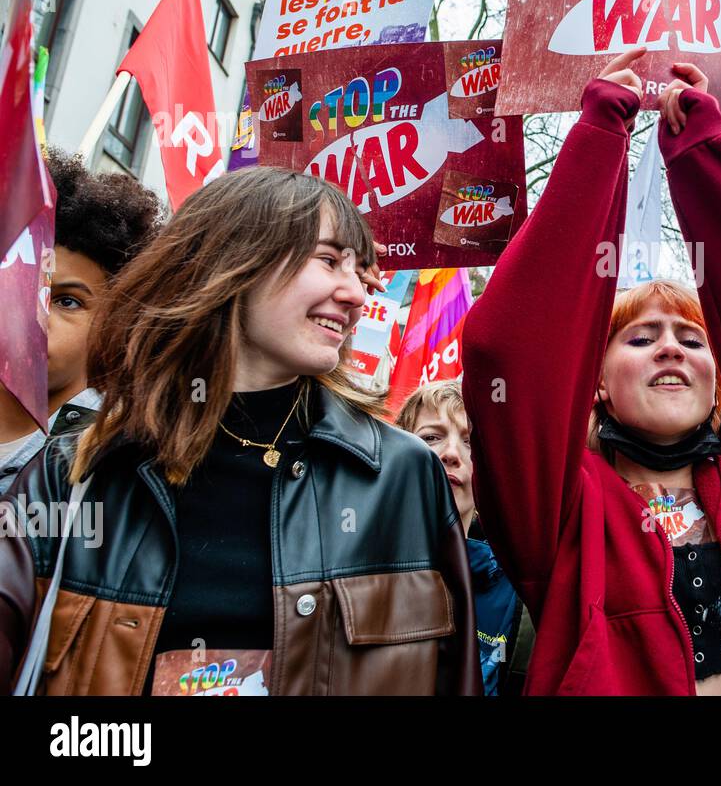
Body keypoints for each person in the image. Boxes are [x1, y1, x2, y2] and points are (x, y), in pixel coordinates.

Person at [0, 167, 480, 696]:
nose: (355, 293)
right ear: (233, 261)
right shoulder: (75, 474)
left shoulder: (401, 476)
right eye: (328, 260)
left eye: (356, 269)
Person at [462, 50, 721, 695]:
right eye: (641, 338)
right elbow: (512, 346)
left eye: (693, 340)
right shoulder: (556, 507)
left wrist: (702, 148)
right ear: (596, 381)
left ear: (719, 380)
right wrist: (601, 136)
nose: (671, 349)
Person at [0, 150, 161, 493]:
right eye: (16, 288)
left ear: (115, 322)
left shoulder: (125, 464)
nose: (32, 316)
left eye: (66, 301)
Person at [396, 380, 522, 696]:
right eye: (431, 437)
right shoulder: (346, 562)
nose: (451, 453)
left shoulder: (519, 593)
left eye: (471, 443)